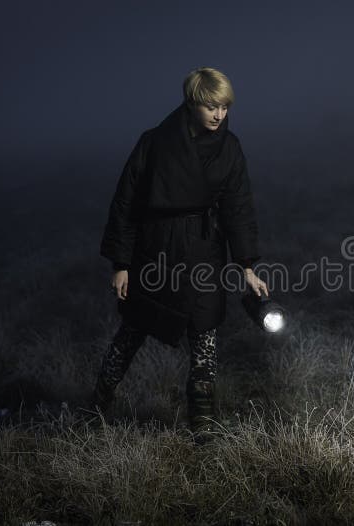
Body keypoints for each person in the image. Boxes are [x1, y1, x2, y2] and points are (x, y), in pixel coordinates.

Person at [92, 67, 269, 442]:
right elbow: (126, 204)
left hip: (205, 250)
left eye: (224, 106)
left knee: (205, 335)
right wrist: (121, 264)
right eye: (210, 106)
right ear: (191, 104)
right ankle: (95, 410)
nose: (219, 115)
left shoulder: (230, 147)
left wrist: (247, 267)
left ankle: (202, 428)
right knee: (132, 332)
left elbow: (238, 207)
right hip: (157, 249)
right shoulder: (154, 142)